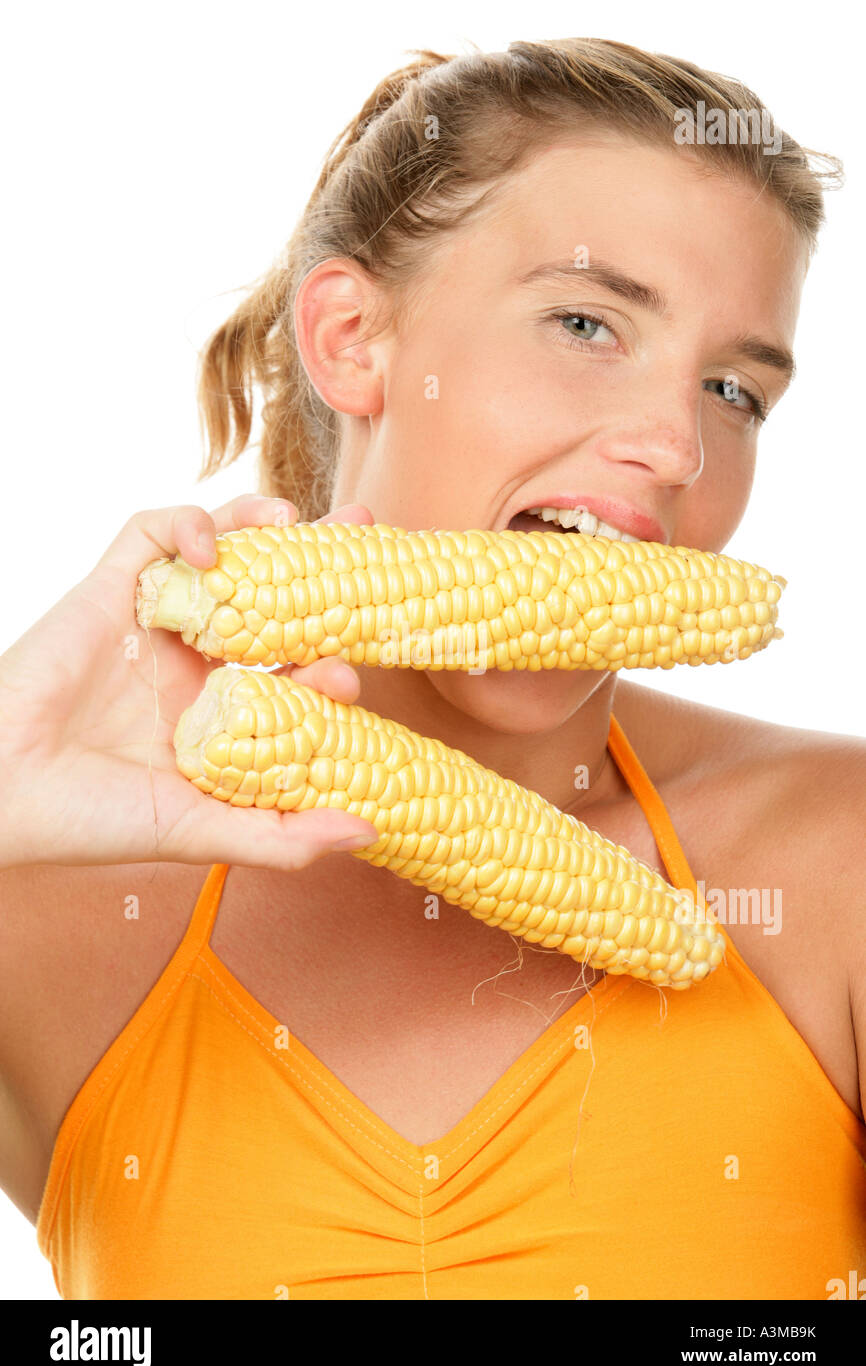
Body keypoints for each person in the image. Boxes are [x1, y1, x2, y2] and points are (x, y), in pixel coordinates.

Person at [1, 38, 864, 1301]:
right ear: (352, 337)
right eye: (585, 322)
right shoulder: (50, 915)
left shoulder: (834, 860)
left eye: (733, 391)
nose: (678, 447)